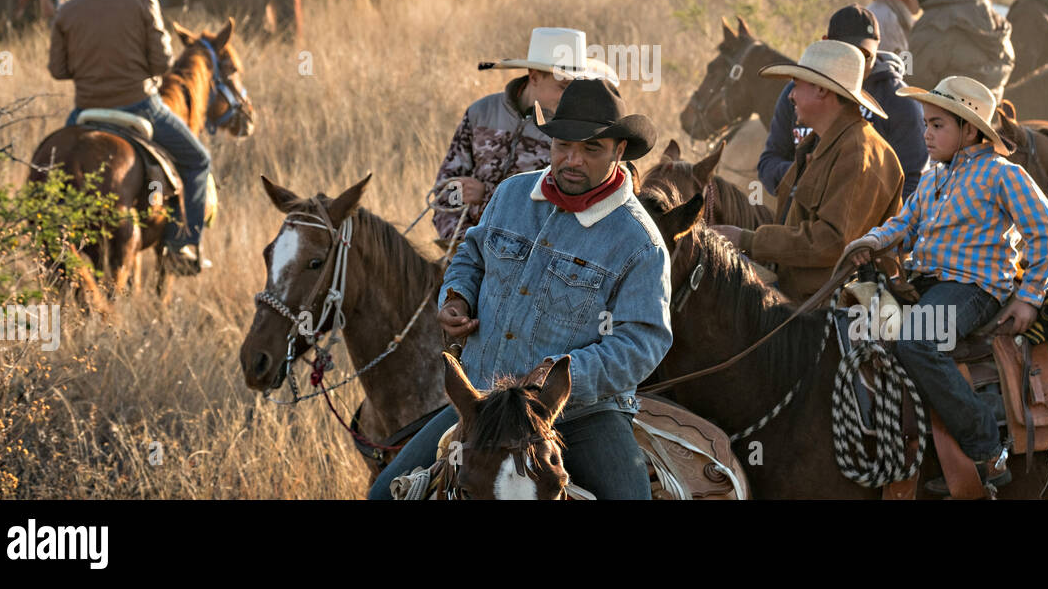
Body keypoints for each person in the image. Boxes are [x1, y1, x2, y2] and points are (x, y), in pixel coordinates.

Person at [369, 77, 671, 500]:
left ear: (620, 151)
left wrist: (564, 373)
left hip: (581, 416)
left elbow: (643, 342)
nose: (573, 160)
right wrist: (456, 296)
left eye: (591, 149)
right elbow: (471, 256)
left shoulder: (639, 242)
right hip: (484, 406)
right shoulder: (512, 194)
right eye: (563, 145)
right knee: (383, 495)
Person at [841, 75, 1048, 494]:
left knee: (916, 341)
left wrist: (1030, 297)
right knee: (854, 328)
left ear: (970, 129)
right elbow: (904, 224)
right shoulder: (932, 178)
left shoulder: (1002, 174)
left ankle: (986, 446)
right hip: (926, 284)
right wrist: (873, 240)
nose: (926, 133)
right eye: (925, 123)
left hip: (973, 289)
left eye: (938, 124)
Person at [49, 0, 208, 276]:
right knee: (197, 161)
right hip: (141, 106)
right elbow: (163, 64)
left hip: (85, 111)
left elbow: (58, 70)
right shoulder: (144, 3)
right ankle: (183, 244)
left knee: (51, 169)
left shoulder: (68, 8)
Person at [710, 39, 905, 303]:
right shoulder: (822, 142)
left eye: (796, 85)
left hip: (825, 303)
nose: (790, 95)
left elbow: (831, 243)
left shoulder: (859, 154)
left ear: (821, 90)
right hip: (797, 288)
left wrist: (749, 239)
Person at [430, 26, 620, 248]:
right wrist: (463, 244)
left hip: (530, 258)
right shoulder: (480, 113)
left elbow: (565, 209)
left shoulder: (572, 131)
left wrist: (486, 196)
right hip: (462, 251)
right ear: (535, 76)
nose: (570, 96)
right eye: (563, 87)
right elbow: (445, 192)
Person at [758, 6, 927, 203]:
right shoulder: (797, 93)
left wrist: (883, 230)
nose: (856, 63)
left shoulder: (899, 101)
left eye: (865, 55)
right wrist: (805, 173)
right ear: (825, 44)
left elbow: (913, 179)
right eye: (846, 52)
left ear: (878, 47)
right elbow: (768, 163)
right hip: (797, 218)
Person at [906, 0, 1014, 100]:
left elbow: (911, 77)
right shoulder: (994, 17)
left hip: (942, 115)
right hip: (987, 112)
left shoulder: (933, 21)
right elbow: (1007, 61)